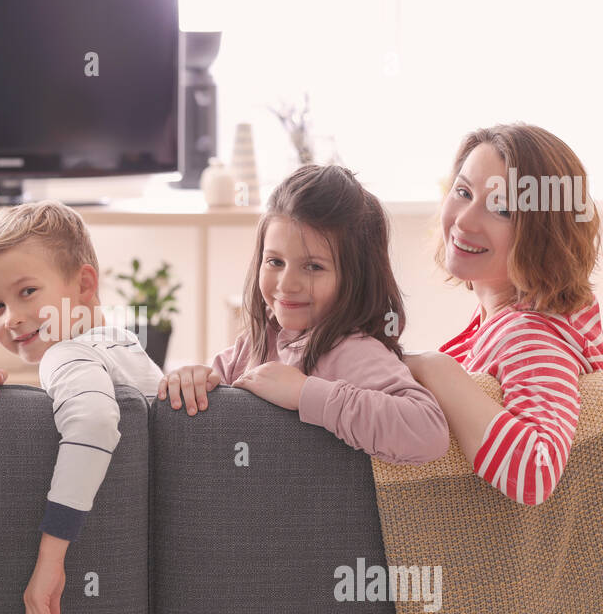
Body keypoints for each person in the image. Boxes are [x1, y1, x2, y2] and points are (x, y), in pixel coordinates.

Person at [0, 201, 163, 614]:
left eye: (27, 292)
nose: (12, 318)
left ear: (84, 285)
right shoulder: (125, 346)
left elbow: (96, 424)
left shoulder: (67, 354)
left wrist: (50, 557)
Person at [158, 163, 449, 465]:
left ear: (356, 278)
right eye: (275, 262)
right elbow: (208, 388)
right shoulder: (255, 343)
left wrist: (303, 393)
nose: (287, 284)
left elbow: (428, 432)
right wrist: (190, 377)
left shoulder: (353, 351)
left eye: (313, 267)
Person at [402, 123, 603, 505]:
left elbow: (535, 472)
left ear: (544, 233)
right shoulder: (507, 320)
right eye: (463, 191)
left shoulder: (529, 334)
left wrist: (435, 367)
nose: (465, 220)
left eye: (501, 209)